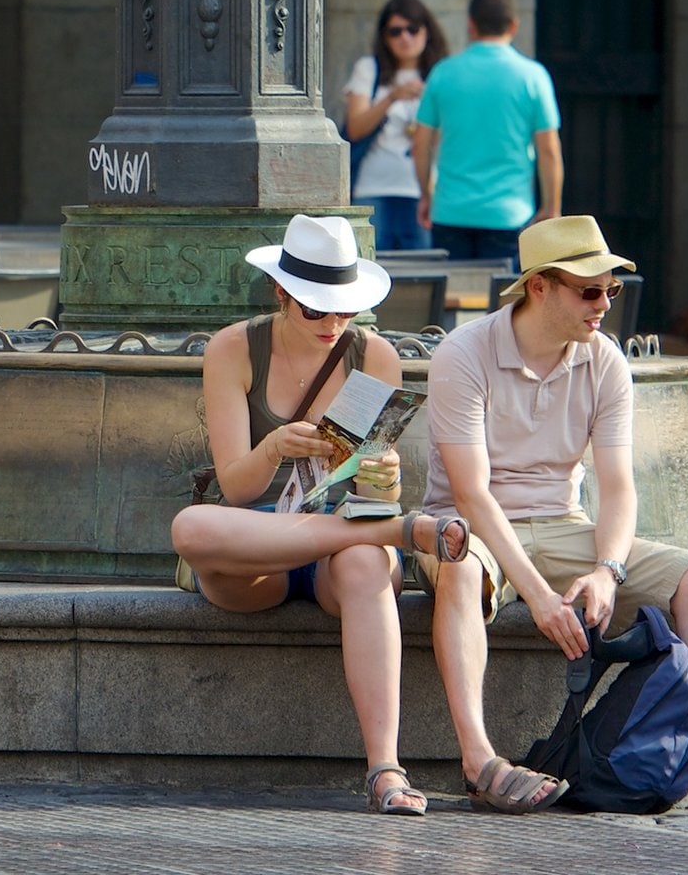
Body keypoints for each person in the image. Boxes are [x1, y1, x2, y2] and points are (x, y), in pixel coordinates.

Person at [420, 215, 688, 818]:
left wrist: (608, 570)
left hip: (563, 525)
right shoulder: (464, 352)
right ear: (539, 287)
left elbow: (618, 487)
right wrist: (539, 596)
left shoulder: (605, 358)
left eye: (612, 289)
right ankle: (479, 762)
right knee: (459, 566)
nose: (605, 304)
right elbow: (471, 494)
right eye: (589, 291)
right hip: (470, 526)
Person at [169, 213, 472, 815]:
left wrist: (385, 477)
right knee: (190, 527)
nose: (333, 325)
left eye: (346, 311)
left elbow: (373, 487)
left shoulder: (373, 355)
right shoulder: (235, 348)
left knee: (366, 561)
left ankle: (385, 769)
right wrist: (273, 448)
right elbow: (236, 489)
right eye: (316, 311)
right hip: (258, 546)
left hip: (343, 543)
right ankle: (402, 533)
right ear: (281, 294)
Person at [411, 0, 561, 264]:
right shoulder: (533, 76)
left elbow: (420, 145)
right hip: (510, 213)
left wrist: (426, 195)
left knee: (452, 290)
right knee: (505, 292)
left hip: (450, 211)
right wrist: (551, 207)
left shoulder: (443, 73)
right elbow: (549, 151)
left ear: (471, 25)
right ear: (514, 25)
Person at [344, 0, 446, 252]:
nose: (405, 38)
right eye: (395, 31)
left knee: (423, 270)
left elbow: (448, 137)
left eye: (413, 29)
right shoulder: (369, 68)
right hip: (372, 189)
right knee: (370, 266)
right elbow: (355, 129)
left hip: (422, 192)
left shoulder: (440, 74)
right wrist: (391, 97)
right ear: (384, 37)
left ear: (427, 31)